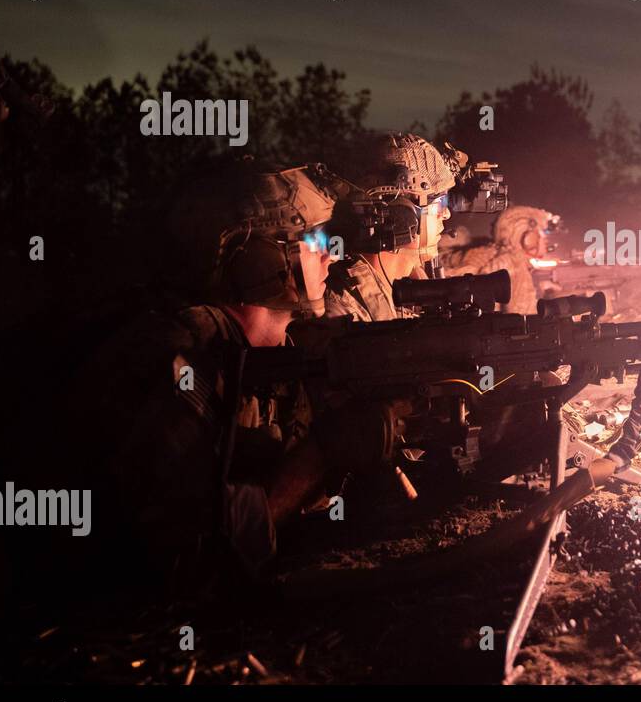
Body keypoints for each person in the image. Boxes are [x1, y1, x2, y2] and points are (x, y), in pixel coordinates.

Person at [57, 160, 403, 593]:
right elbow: (185, 547)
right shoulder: (181, 362)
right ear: (261, 259)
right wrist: (319, 456)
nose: (327, 253)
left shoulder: (276, 353)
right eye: (310, 239)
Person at [323, 131, 462, 321]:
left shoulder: (413, 291)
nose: (446, 213)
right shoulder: (344, 311)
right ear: (401, 213)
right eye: (440, 201)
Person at [438, 204, 558, 314]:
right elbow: (524, 319)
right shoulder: (515, 264)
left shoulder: (492, 250)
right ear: (529, 239)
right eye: (544, 235)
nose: (546, 242)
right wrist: (552, 298)